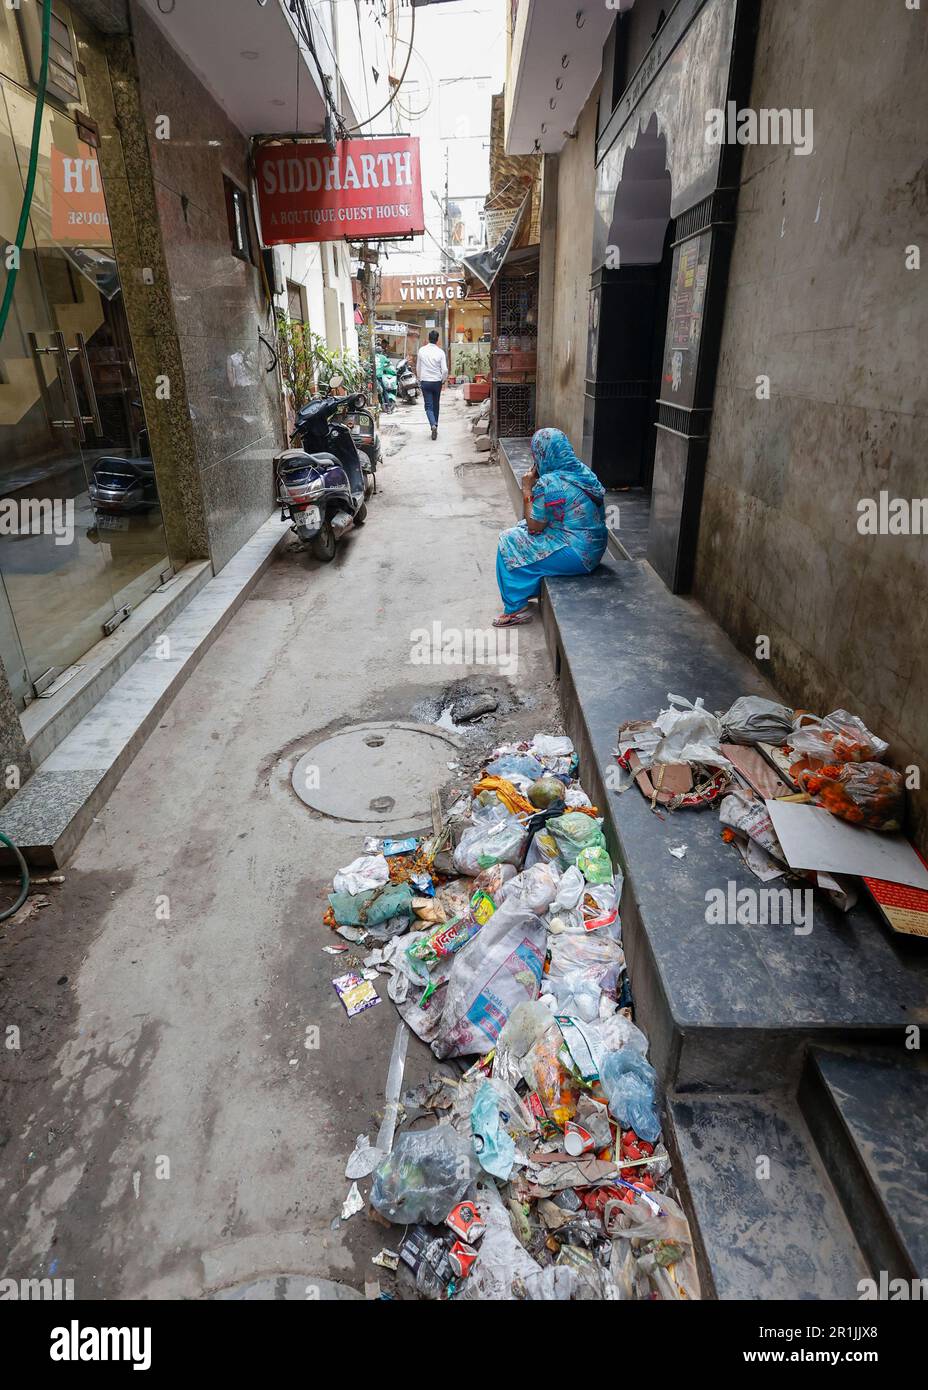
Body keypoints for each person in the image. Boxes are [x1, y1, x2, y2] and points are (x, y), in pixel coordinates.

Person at [494, 427, 607, 627]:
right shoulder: (581, 471)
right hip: (596, 548)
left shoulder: (551, 483)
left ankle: (514, 608)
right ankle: (528, 589)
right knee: (521, 530)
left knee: (508, 539)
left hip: (577, 555)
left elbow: (535, 525)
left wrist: (528, 488)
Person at [416, 330, 448, 440]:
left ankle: (432, 424)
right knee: (436, 405)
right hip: (436, 382)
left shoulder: (421, 350)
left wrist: (420, 378)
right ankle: (436, 426)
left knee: (428, 406)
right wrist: (443, 380)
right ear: (437, 339)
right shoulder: (440, 352)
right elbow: (444, 370)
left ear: (428, 338)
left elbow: (418, 368)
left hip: (425, 381)